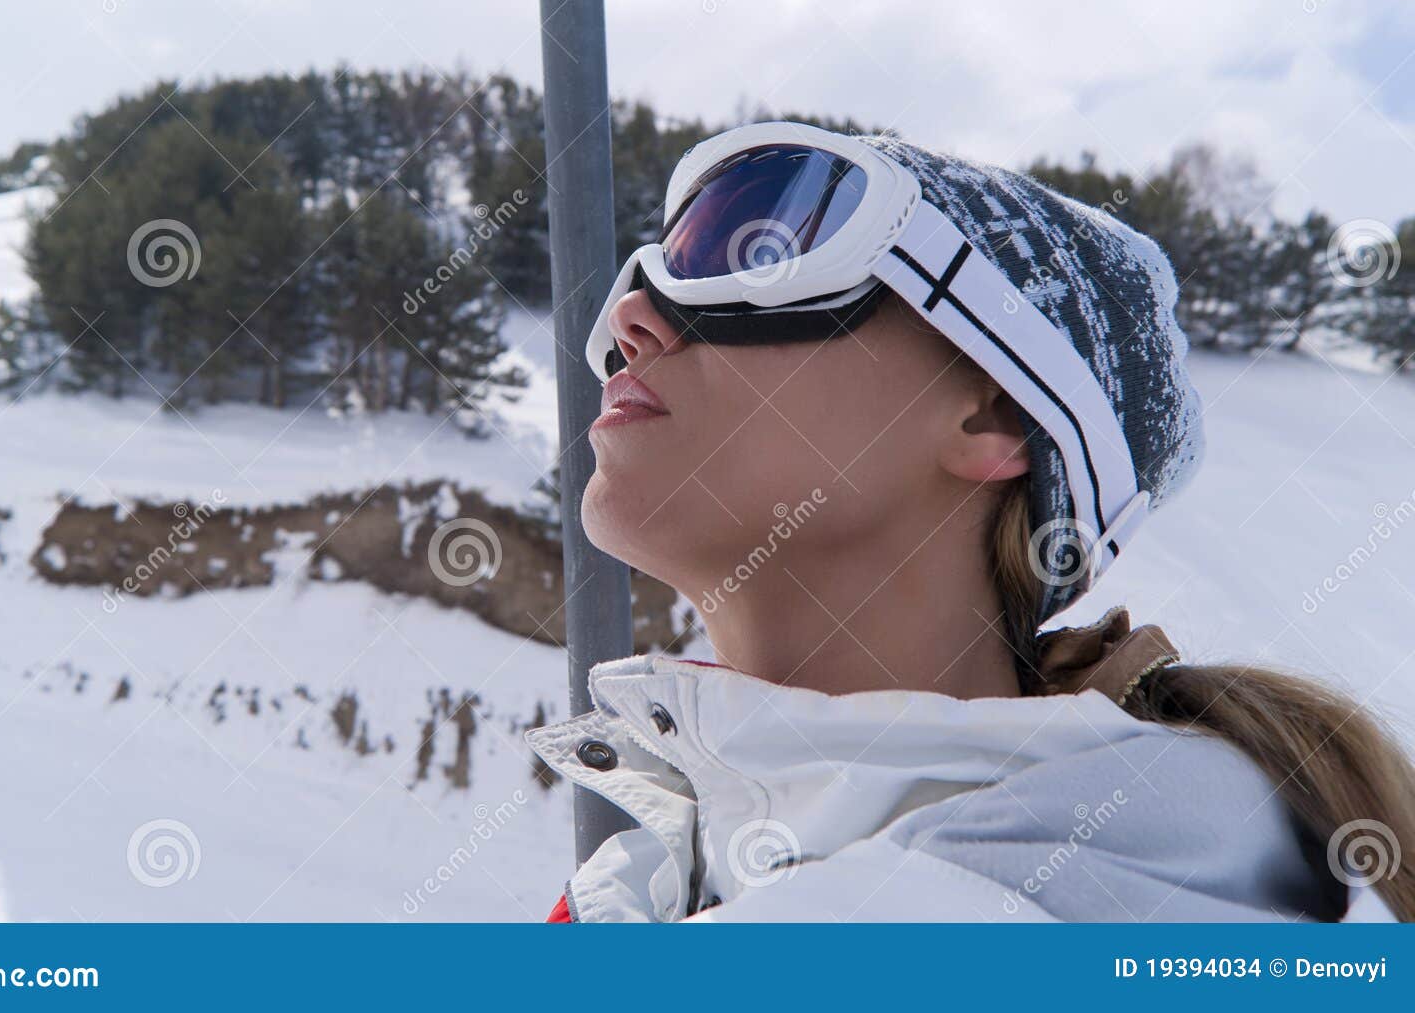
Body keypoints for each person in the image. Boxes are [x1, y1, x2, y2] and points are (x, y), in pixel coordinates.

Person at [526, 121, 1414, 922]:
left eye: (752, 241)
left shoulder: (1128, 909)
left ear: (990, 415)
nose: (627, 321)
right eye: (649, 266)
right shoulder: (630, 900)